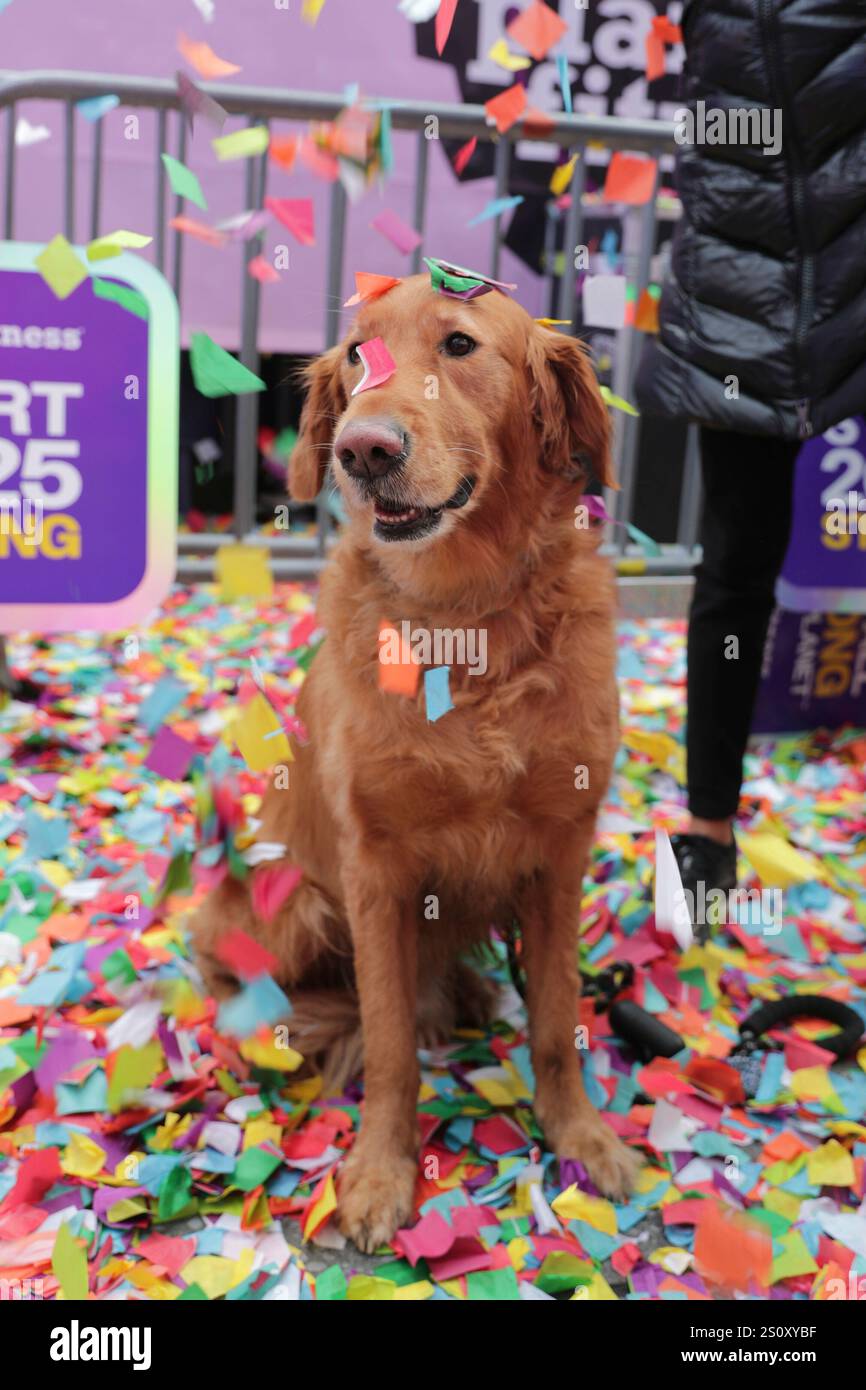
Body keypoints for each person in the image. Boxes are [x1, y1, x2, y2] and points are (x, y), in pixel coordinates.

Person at [635, 0, 866, 912]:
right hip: (737, 303)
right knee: (734, 574)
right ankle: (708, 834)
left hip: (849, 284)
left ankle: (708, 837)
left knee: (732, 576)